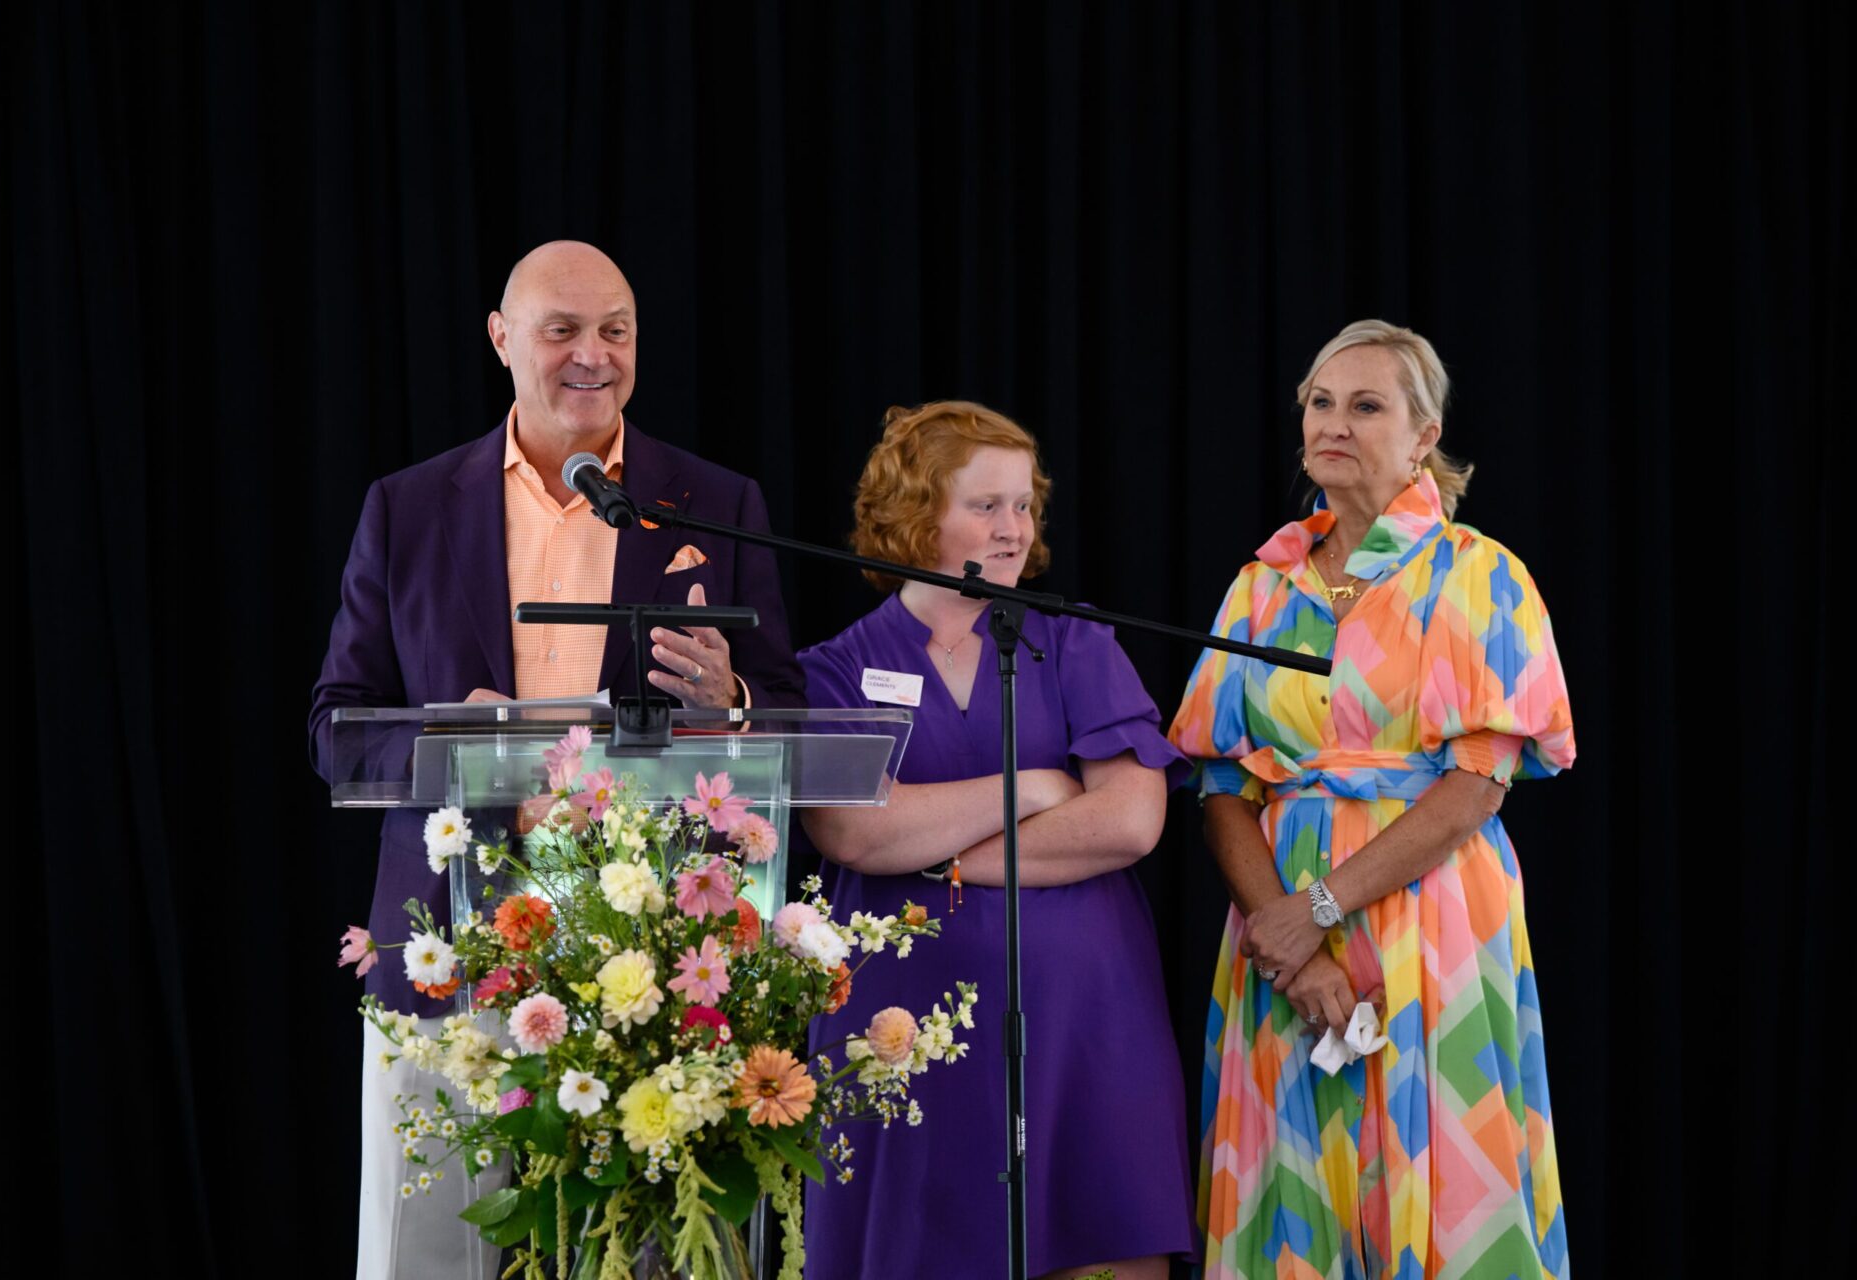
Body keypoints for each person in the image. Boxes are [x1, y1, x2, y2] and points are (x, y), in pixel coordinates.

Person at [308, 240, 804, 1279]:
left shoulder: (710, 502)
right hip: (450, 943)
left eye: (615, 329)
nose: (594, 355)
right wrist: (465, 740)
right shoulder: (405, 509)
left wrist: (735, 699)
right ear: (501, 340)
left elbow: (784, 709)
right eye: (562, 329)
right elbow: (338, 723)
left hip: (654, 952)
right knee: (431, 1253)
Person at [1169, 320, 1575, 1279]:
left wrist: (1318, 911)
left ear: (1425, 435)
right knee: (1287, 1193)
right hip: (1274, 934)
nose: (1334, 424)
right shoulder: (1258, 586)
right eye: (1320, 402)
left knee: (1439, 1188)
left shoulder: (1482, 575)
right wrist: (1285, 937)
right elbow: (1218, 784)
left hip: (1429, 917)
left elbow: (1475, 788)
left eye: (1366, 405)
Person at [798, 401, 1195, 1280]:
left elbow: (1131, 818)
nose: (1014, 530)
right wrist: (1032, 788)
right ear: (915, 513)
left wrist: (943, 854)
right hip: (899, 1037)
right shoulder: (833, 667)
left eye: (1025, 505)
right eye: (987, 506)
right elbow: (854, 830)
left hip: (1088, 1028)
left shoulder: (1075, 639)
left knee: (1104, 1240)